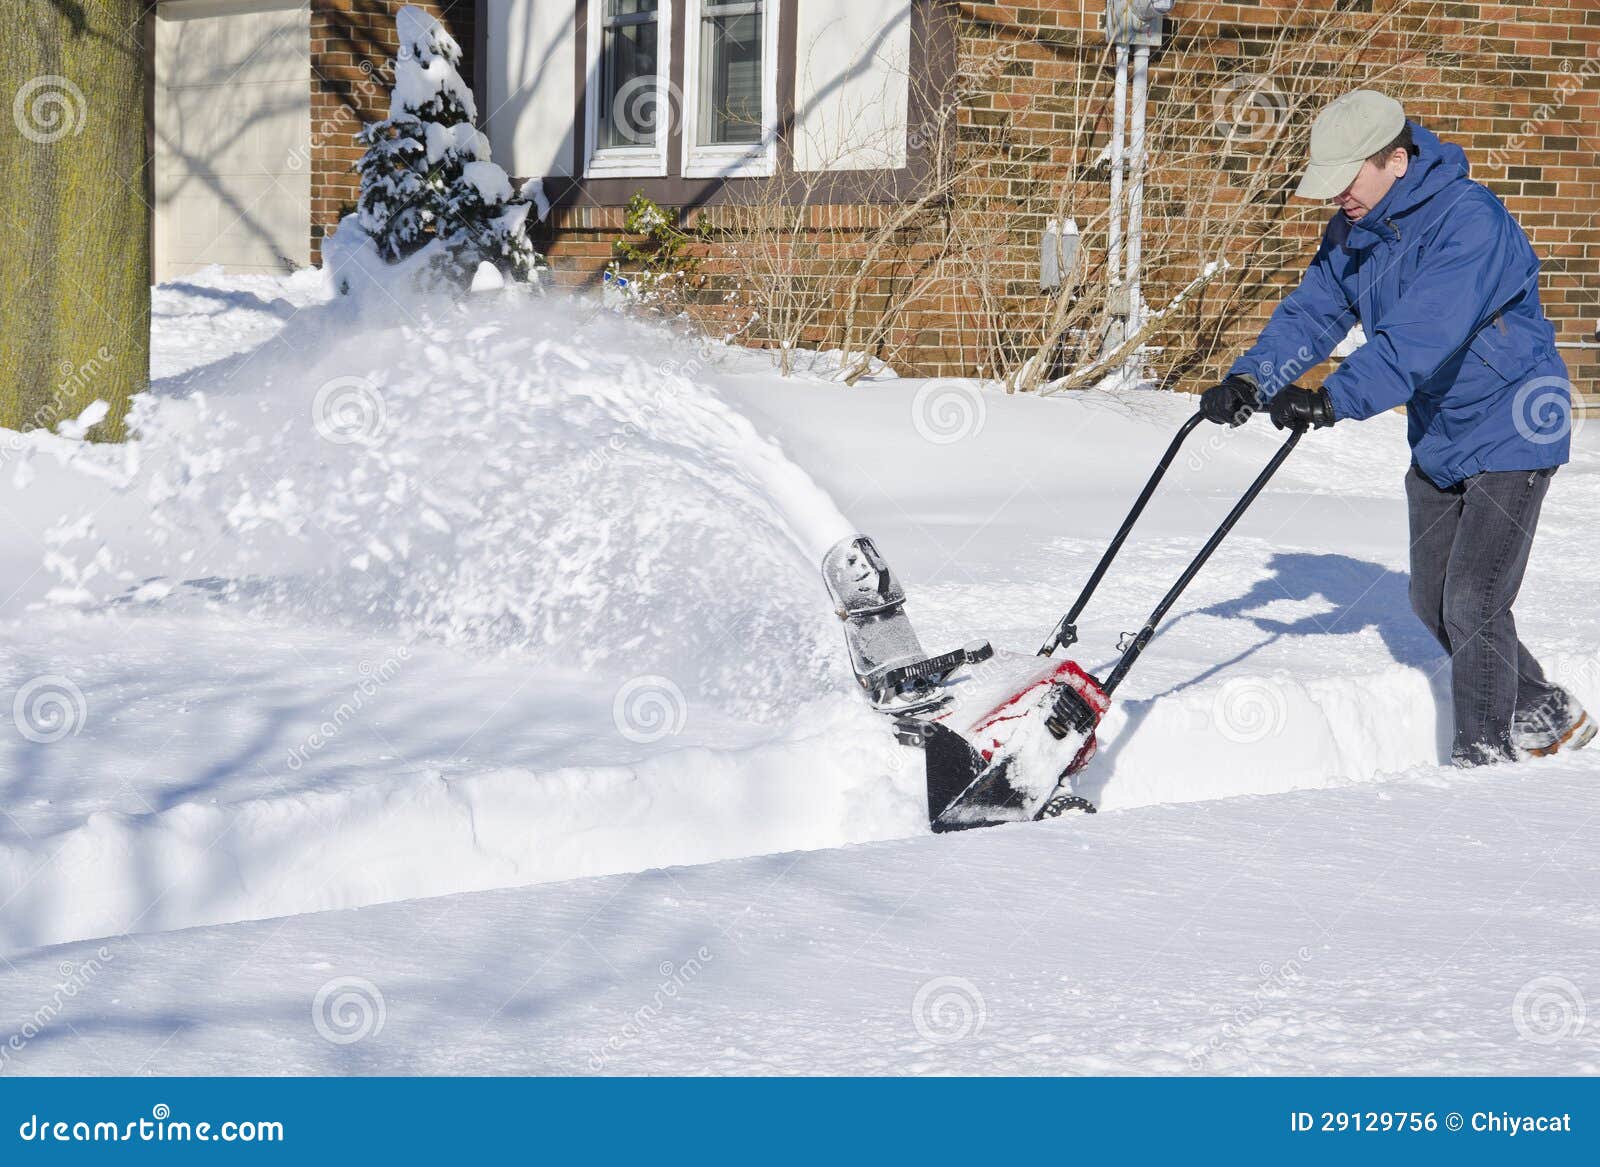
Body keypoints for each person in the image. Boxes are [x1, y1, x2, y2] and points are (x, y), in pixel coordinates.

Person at [1197, 89, 1591, 765]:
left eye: (1346, 181)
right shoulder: (1355, 230)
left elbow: (1420, 336)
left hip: (1514, 423)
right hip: (1440, 430)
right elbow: (1316, 313)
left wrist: (1331, 397)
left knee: (1472, 601)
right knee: (1429, 600)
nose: (1336, 198)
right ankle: (1544, 709)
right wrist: (1253, 379)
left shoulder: (1471, 221)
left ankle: (1484, 760)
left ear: (1397, 160)